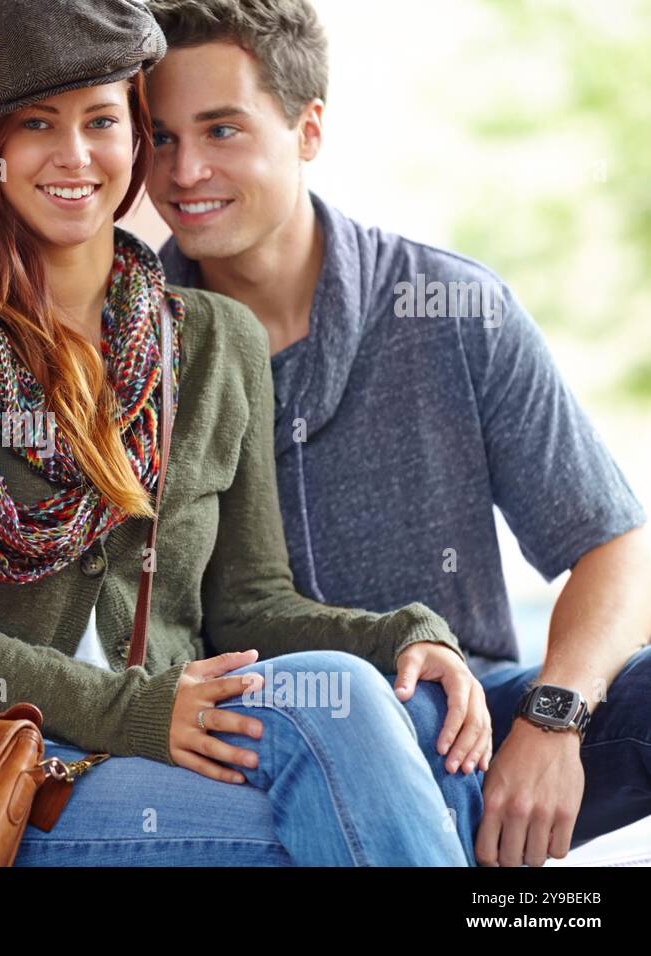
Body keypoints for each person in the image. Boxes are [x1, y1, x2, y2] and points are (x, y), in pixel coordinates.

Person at [0, 0, 484, 865]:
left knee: (371, 698)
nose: (75, 155)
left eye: (101, 121)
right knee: (295, 835)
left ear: (134, 140)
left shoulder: (216, 339)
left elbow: (249, 605)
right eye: (36, 124)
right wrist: (127, 709)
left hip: (165, 739)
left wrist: (405, 635)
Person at [143, 0, 651, 867]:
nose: (185, 170)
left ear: (308, 130)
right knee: (362, 705)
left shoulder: (454, 310)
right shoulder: (129, 352)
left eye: (222, 130)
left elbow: (616, 548)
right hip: (266, 752)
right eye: (160, 137)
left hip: (474, 727)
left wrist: (552, 721)